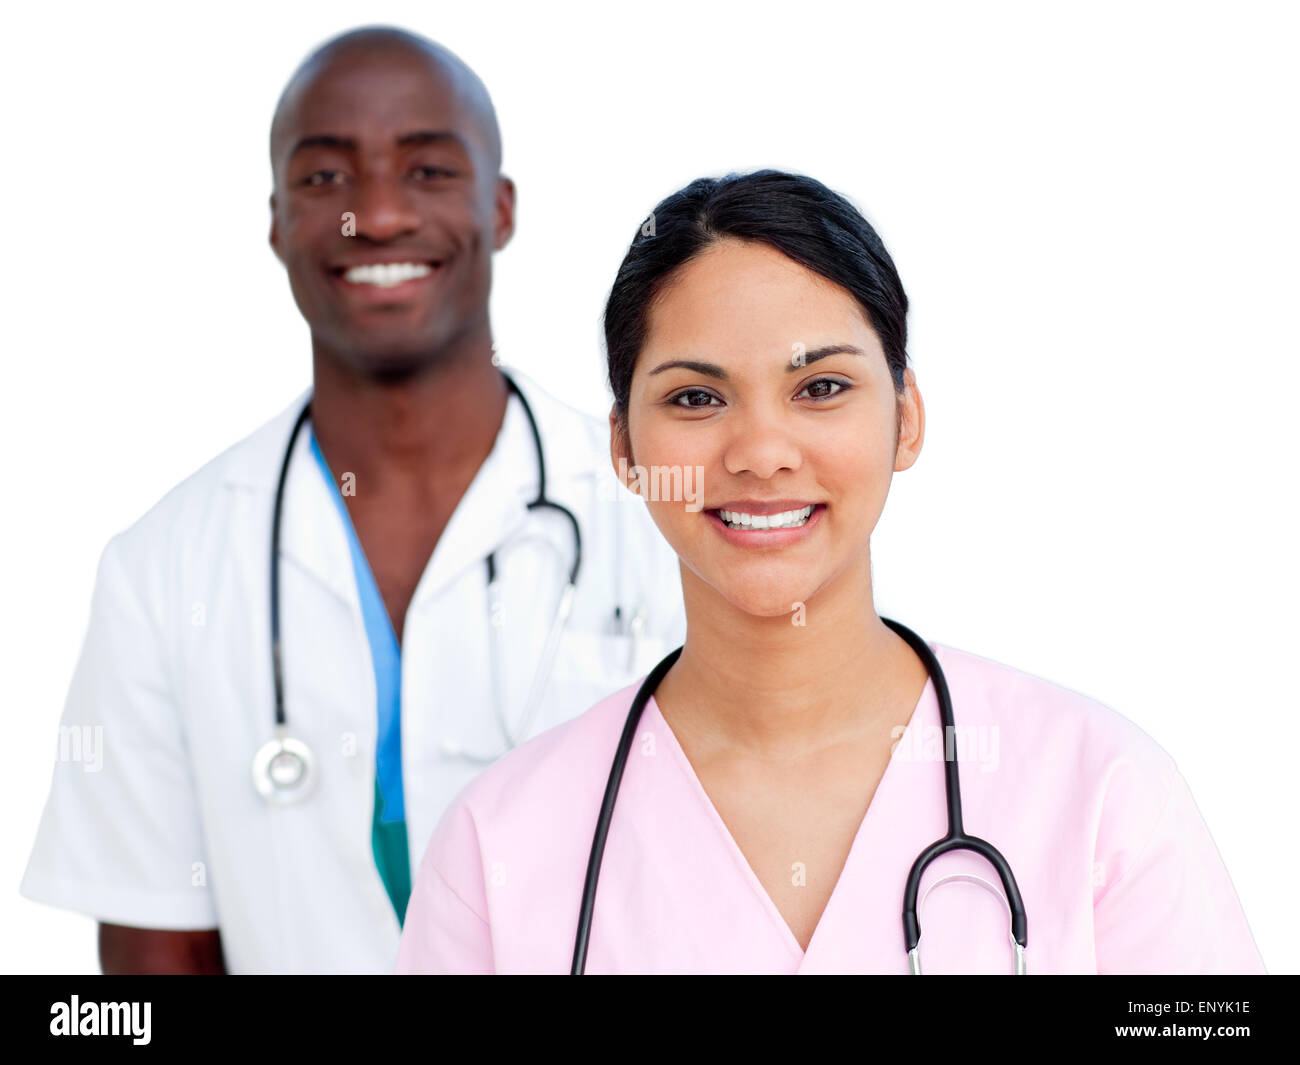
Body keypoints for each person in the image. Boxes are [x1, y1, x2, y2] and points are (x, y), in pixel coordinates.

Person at [394, 169, 1267, 974]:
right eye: (696, 397)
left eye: (821, 389)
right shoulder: (498, 845)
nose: (762, 453)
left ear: (908, 418)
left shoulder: (1099, 791)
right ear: (624, 447)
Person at [20, 26, 685, 974]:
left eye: (428, 170)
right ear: (278, 219)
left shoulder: (658, 516)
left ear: (499, 208)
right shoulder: (164, 568)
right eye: (326, 178)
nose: (374, 215)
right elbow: (151, 962)